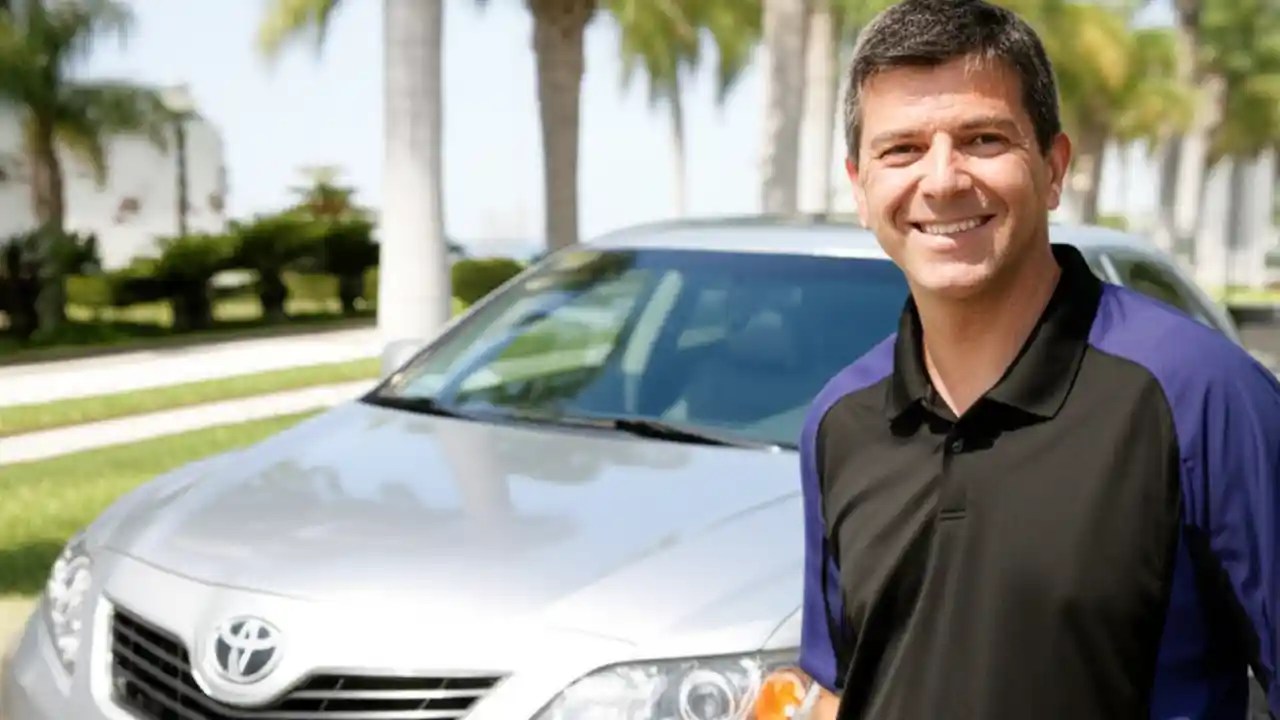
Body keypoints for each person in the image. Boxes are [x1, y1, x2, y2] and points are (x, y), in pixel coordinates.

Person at [796, 0, 1280, 718]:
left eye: (983, 139)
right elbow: (838, 687)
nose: (942, 180)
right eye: (901, 150)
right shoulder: (839, 421)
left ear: (1053, 169)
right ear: (860, 187)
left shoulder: (1202, 395)